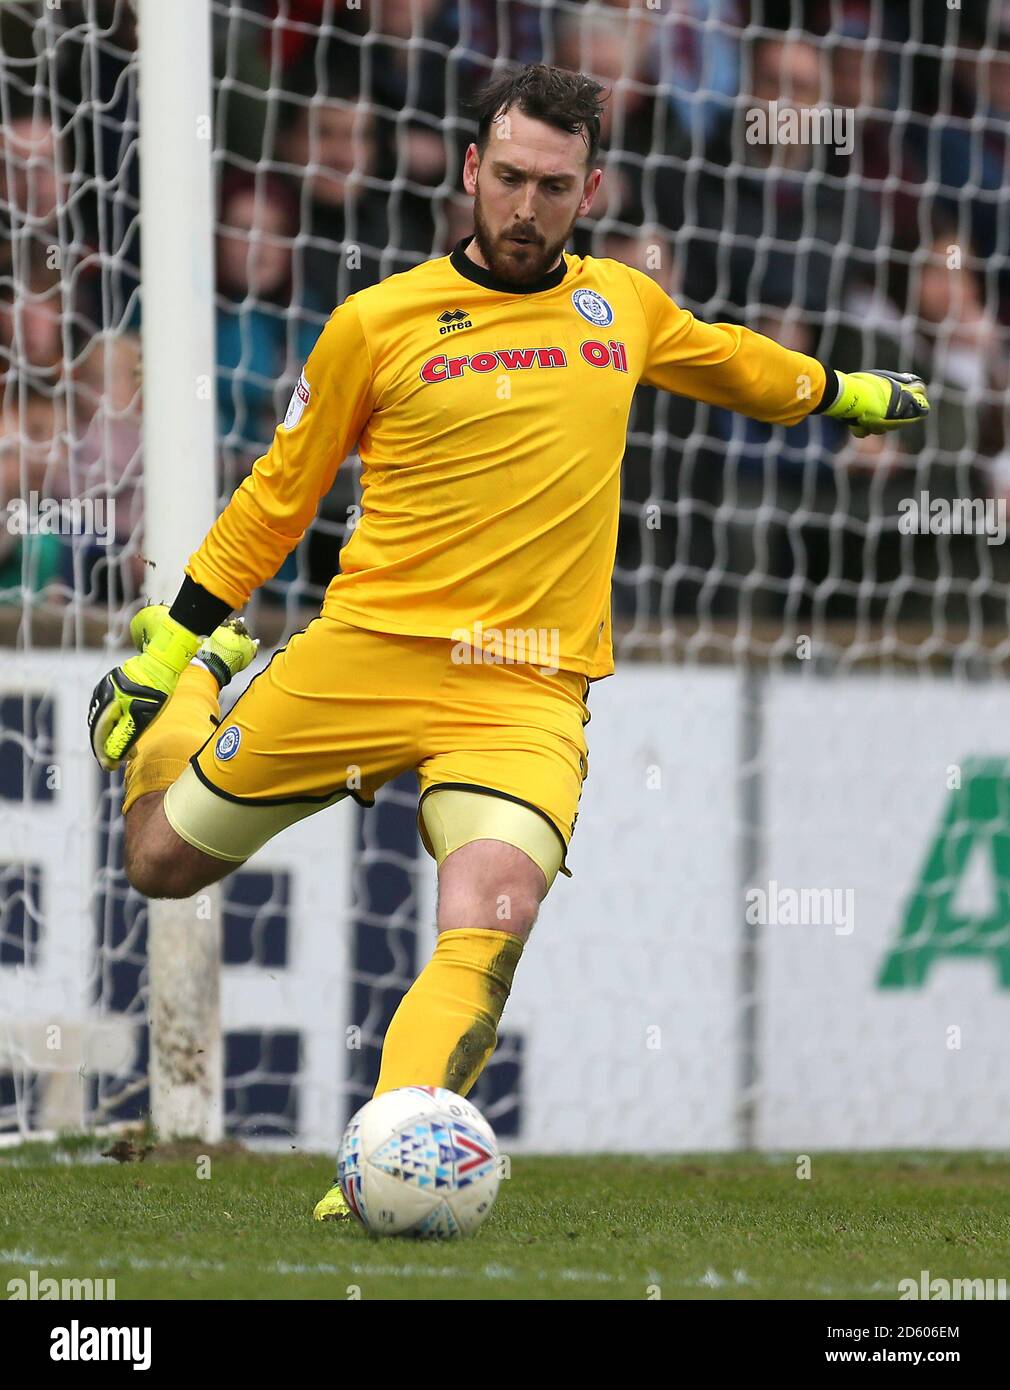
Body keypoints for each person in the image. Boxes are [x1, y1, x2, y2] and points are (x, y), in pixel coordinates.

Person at [86, 63, 929, 1221]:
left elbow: (729, 360)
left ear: (592, 189)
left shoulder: (620, 306)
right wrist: (167, 653)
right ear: (473, 170)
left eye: (554, 187)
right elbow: (278, 499)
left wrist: (840, 391)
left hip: (523, 687)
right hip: (364, 653)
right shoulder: (375, 323)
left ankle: (388, 1157)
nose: (527, 207)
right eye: (511, 178)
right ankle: (204, 684)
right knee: (157, 862)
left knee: (493, 911)